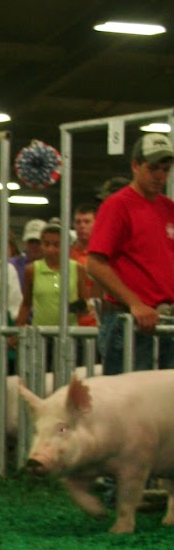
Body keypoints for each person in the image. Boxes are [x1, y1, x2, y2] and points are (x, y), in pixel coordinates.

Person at [86, 132, 174, 375]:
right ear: (135, 166)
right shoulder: (118, 205)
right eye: (153, 168)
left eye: (165, 170)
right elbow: (94, 263)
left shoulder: (169, 209)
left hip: (164, 321)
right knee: (128, 396)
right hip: (129, 322)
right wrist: (136, 304)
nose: (160, 176)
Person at [16, 221, 90, 330]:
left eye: (56, 245)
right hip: (40, 333)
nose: (50, 249)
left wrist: (79, 307)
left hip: (69, 332)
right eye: (46, 244)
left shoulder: (78, 269)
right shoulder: (31, 270)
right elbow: (26, 304)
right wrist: (17, 331)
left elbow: (86, 303)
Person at [70, 203, 100, 328]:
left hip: (96, 321)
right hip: (70, 321)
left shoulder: (103, 256)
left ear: (96, 224)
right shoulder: (65, 254)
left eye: (87, 222)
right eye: (78, 222)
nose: (82, 226)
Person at [10, 218, 45, 288]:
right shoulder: (12, 265)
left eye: (38, 241)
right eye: (31, 241)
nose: (34, 245)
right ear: (25, 242)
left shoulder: (54, 267)